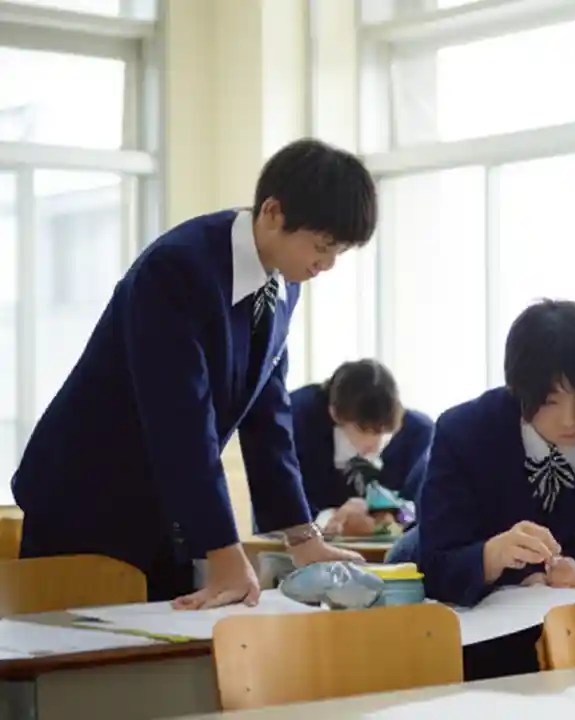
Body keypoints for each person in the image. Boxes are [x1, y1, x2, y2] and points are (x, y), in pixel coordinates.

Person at [12, 138, 375, 608]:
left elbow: (268, 415)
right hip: (86, 499)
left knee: (165, 651)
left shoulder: (283, 282)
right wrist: (223, 548)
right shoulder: (178, 268)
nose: (326, 264)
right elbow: (180, 419)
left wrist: (303, 540)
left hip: (165, 508)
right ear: (272, 212)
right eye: (322, 246)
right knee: (76, 661)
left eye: (338, 252)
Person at [412, 300, 575, 608]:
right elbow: (437, 562)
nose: (571, 420)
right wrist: (492, 556)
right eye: (550, 401)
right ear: (518, 390)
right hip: (475, 606)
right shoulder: (464, 432)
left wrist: (568, 571)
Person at [290, 359, 434, 536]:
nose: (375, 444)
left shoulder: (417, 433)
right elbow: (280, 501)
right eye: (363, 431)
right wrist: (328, 519)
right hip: (304, 542)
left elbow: (419, 513)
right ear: (335, 413)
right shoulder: (298, 419)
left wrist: (391, 518)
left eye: (384, 433)